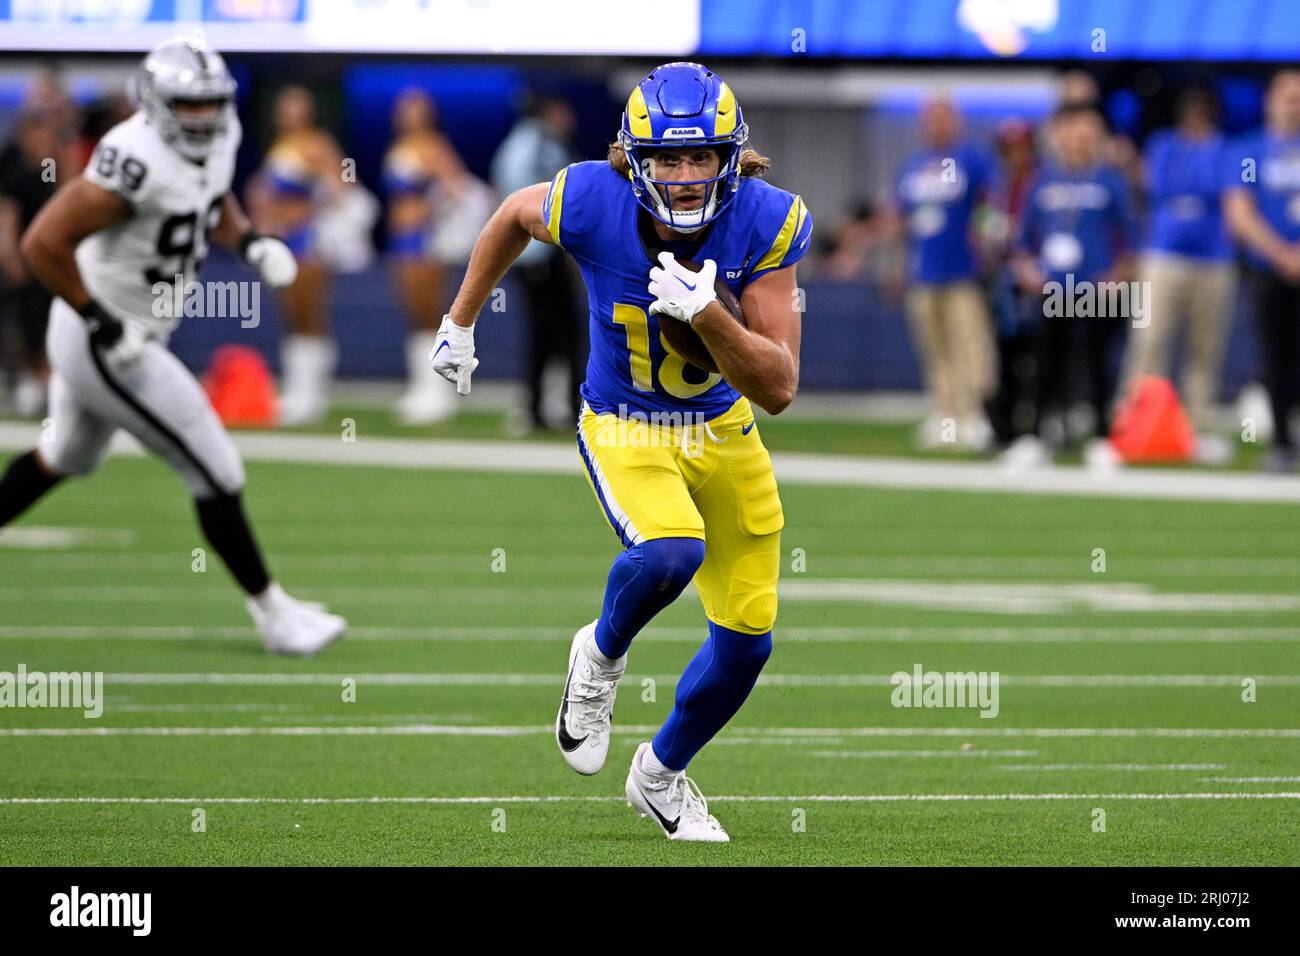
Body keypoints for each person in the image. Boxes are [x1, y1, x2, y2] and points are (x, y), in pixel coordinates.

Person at [429, 62, 810, 841]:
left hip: (722, 429)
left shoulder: (766, 220)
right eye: (667, 159)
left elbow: (777, 386)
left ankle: (661, 776)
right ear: (633, 158)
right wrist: (460, 321)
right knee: (670, 552)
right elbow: (510, 215)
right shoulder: (591, 199)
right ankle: (599, 659)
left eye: (699, 156)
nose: (683, 174)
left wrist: (710, 317)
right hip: (625, 421)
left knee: (747, 644)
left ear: (729, 158)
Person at [0, 38, 346, 655]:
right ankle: (274, 614)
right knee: (215, 465)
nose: (203, 118)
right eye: (188, 106)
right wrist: (100, 319)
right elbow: (41, 243)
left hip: (127, 328)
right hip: (106, 337)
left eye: (211, 104)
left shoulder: (221, 136)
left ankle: (276, 610)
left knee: (67, 457)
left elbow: (210, 201)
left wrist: (248, 241)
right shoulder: (130, 159)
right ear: (156, 104)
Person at [1008, 102, 1138, 467]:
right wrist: (1027, 271)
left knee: (1097, 363)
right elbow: (1022, 241)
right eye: (1075, 132)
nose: (1081, 140)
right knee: (1044, 362)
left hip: (1096, 290)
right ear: (1060, 135)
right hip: (1054, 290)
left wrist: (1118, 277)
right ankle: (1036, 436)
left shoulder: (1110, 180)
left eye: (1089, 133)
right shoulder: (1043, 180)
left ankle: (1101, 438)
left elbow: (1131, 238)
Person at [1122, 88, 1234, 460]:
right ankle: (1133, 422)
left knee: (1204, 349)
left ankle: (1196, 428)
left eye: (1202, 111)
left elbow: (1217, 191)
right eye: (1190, 111)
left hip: (1213, 260)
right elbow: (1158, 187)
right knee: (1149, 340)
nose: (1195, 118)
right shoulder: (1164, 144)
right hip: (1163, 257)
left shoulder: (1223, 149)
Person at [893, 97, 997, 450]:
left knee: (969, 346)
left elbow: (988, 206)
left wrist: (984, 244)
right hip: (924, 272)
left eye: (943, 118)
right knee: (934, 349)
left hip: (962, 271)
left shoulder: (971, 160)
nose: (936, 125)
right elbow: (903, 219)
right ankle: (945, 415)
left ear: (956, 121)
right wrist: (900, 265)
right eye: (930, 118)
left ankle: (974, 415)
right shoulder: (912, 166)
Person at [250, 86, 347, 426]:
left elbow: (341, 186)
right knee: (290, 313)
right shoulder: (279, 146)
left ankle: (313, 395)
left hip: (309, 239)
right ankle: (296, 390)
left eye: (297, 108)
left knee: (309, 313)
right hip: (283, 240)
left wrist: (313, 210)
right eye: (285, 108)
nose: (290, 115)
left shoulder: (317, 144)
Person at [491, 92, 585, 432]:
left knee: (545, 334)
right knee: (560, 334)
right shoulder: (539, 145)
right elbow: (549, 201)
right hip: (542, 252)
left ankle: (541, 406)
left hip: (528, 253)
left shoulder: (516, 144)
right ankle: (558, 407)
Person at [1223, 69, 1300, 472]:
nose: (1294, 102)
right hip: (1269, 269)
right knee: (1275, 356)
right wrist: (1282, 254)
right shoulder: (1250, 149)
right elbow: (1239, 212)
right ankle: (1283, 443)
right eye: (1287, 94)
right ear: (1271, 99)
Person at [383, 88, 471, 425]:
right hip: (402, 239)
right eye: (404, 109)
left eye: (416, 109)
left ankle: (440, 391)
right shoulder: (398, 147)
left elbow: (458, 187)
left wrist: (434, 210)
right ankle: (421, 387)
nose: (409, 116)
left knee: (431, 312)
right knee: (413, 315)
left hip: (425, 239)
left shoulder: (435, 147)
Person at [0, 103, 80, 416]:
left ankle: (49, 383)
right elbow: (9, 216)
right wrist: (11, 256)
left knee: (51, 321)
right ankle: (33, 381)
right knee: (28, 324)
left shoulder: (48, 167)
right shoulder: (17, 172)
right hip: (26, 261)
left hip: (49, 259)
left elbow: (64, 195)